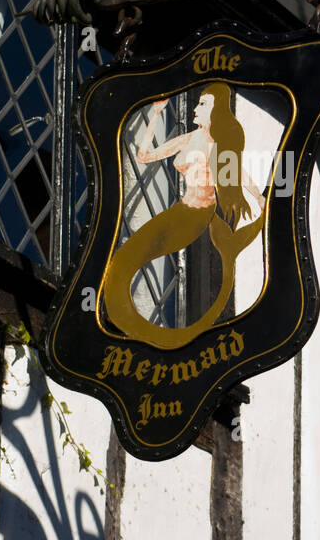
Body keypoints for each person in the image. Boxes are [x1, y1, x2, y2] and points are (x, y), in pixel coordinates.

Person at [102, 83, 266, 350]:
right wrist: (155, 114)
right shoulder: (189, 139)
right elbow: (144, 156)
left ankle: (164, 335)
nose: (195, 108)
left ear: (216, 111)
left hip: (196, 217)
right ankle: (139, 329)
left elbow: (236, 174)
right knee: (123, 262)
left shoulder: (218, 146)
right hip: (180, 210)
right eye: (197, 103)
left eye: (203, 104)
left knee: (128, 260)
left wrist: (259, 198)